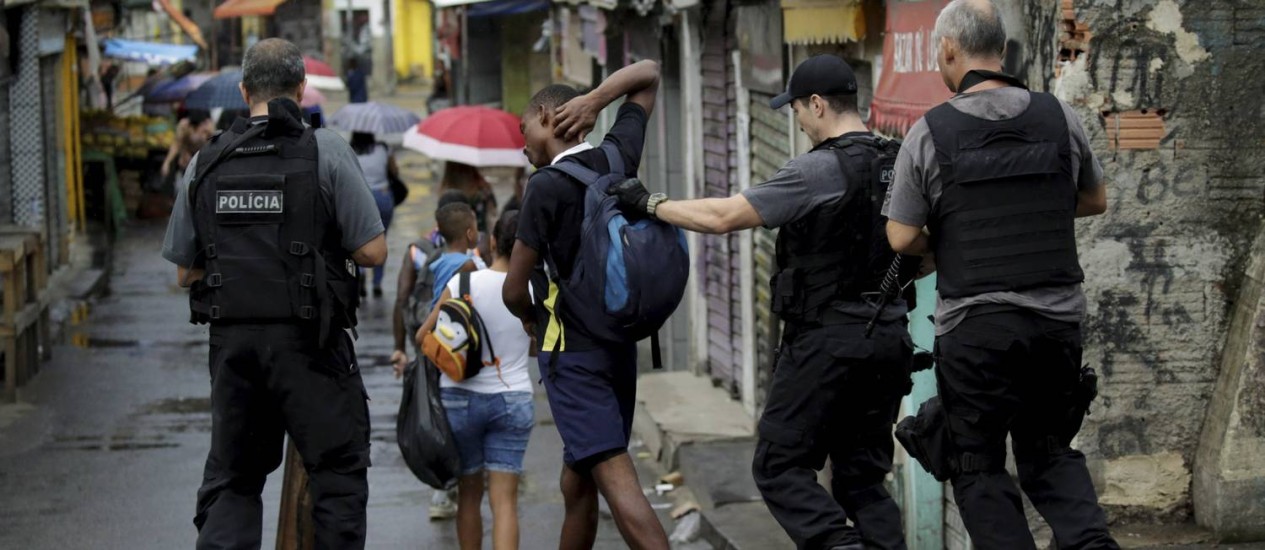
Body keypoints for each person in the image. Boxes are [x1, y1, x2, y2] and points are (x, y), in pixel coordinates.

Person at [608, 55, 914, 550]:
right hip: (889, 340)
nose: (798, 120)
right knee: (862, 478)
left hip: (827, 344)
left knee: (778, 466)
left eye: (797, 109)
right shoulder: (898, 161)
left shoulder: (817, 169)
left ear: (817, 105)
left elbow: (724, 216)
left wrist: (650, 203)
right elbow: (923, 249)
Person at [883, 2, 1117, 549]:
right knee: (1051, 453)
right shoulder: (1059, 116)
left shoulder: (931, 131)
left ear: (948, 50)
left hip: (976, 330)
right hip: (1056, 324)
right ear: (1003, 49)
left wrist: (952, 237)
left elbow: (900, 236)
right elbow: (1094, 199)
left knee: (977, 465)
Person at [160, 38, 387, 549]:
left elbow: (185, 273)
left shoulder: (206, 160)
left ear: (244, 92)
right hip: (312, 345)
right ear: (302, 89)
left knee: (234, 480)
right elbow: (373, 251)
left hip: (235, 351)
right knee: (337, 475)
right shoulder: (326, 150)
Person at [503, 59, 670, 549]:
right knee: (577, 481)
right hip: (619, 347)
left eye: (524, 129)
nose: (523, 144)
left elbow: (513, 289)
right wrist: (599, 101)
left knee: (617, 481)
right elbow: (649, 73)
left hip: (574, 358)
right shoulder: (617, 155)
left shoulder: (544, 186)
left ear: (549, 117)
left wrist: (531, 319)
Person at [399, 210, 534, 550]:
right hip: (513, 398)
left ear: (492, 242)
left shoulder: (462, 284)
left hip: (460, 399)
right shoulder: (530, 289)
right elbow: (537, 346)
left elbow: (423, 336)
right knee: (505, 501)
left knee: (469, 496)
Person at [350, 131, 400, 297]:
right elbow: (395, 172)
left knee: (359, 239)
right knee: (381, 239)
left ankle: (361, 272)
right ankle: (377, 282)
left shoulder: (349, 150)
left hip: (360, 197)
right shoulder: (383, 149)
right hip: (383, 196)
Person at [161, 108, 215, 184]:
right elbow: (177, 144)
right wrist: (167, 162)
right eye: (194, 126)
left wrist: (207, 133)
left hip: (203, 157)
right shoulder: (184, 125)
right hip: (187, 156)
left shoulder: (208, 126)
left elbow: (214, 144)